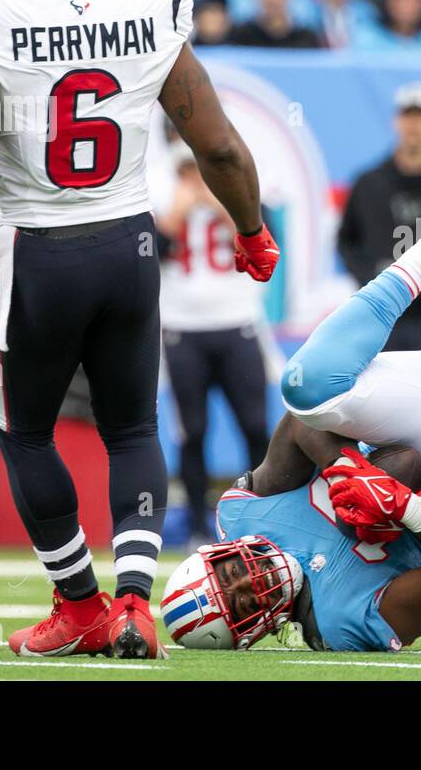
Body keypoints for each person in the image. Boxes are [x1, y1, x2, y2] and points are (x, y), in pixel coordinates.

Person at [0, 0, 279, 660]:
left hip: (40, 252)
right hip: (131, 246)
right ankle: (133, 605)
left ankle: (79, 602)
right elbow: (218, 146)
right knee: (132, 427)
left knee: (22, 429)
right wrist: (252, 232)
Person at [162, 156, 421, 652]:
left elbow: (298, 426)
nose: (249, 581)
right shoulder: (338, 625)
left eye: (227, 576)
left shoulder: (243, 516)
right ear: (255, 630)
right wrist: (407, 510)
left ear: (216, 554)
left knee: (305, 388)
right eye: (242, 603)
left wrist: (343, 469)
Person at [155, 140, 275, 545]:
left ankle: (263, 516)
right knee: (192, 430)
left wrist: (225, 206)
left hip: (237, 322)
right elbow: (148, 252)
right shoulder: (160, 196)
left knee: (255, 424)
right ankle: (197, 525)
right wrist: (175, 214)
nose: (197, 179)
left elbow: (266, 243)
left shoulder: (239, 192)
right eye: (188, 171)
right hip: (181, 328)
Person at [337, 81, 421, 350]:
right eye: (407, 115)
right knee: (375, 392)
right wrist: (372, 280)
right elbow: (346, 241)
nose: (414, 124)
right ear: (396, 121)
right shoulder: (367, 183)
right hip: (378, 315)